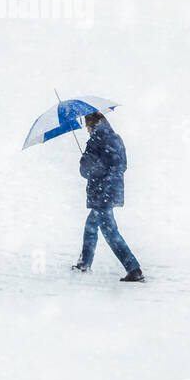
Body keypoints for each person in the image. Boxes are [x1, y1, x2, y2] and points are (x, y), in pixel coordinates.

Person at [71, 111, 144, 282]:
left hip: (101, 192)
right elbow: (121, 165)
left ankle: (133, 268)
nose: (87, 130)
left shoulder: (96, 141)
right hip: (112, 189)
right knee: (91, 225)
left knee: (110, 231)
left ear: (91, 125)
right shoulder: (116, 138)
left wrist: (84, 161)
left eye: (87, 127)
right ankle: (84, 263)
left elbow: (86, 171)